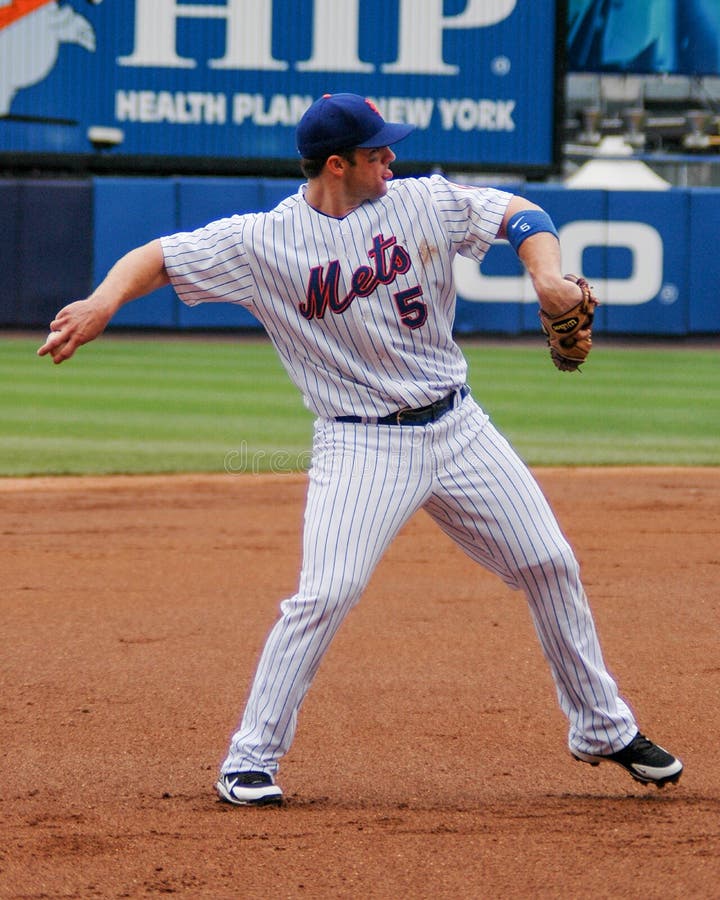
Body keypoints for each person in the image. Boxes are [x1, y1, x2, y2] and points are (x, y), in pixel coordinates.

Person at [38, 92, 683, 806]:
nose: (392, 159)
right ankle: (248, 759)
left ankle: (599, 726)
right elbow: (156, 257)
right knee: (327, 591)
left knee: (550, 563)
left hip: (459, 427)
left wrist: (546, 274)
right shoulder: (263, 240)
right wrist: (102, 302)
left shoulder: (420, 203)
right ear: (337, 165)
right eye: (378, 152)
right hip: (359, 444)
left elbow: (517, 215)